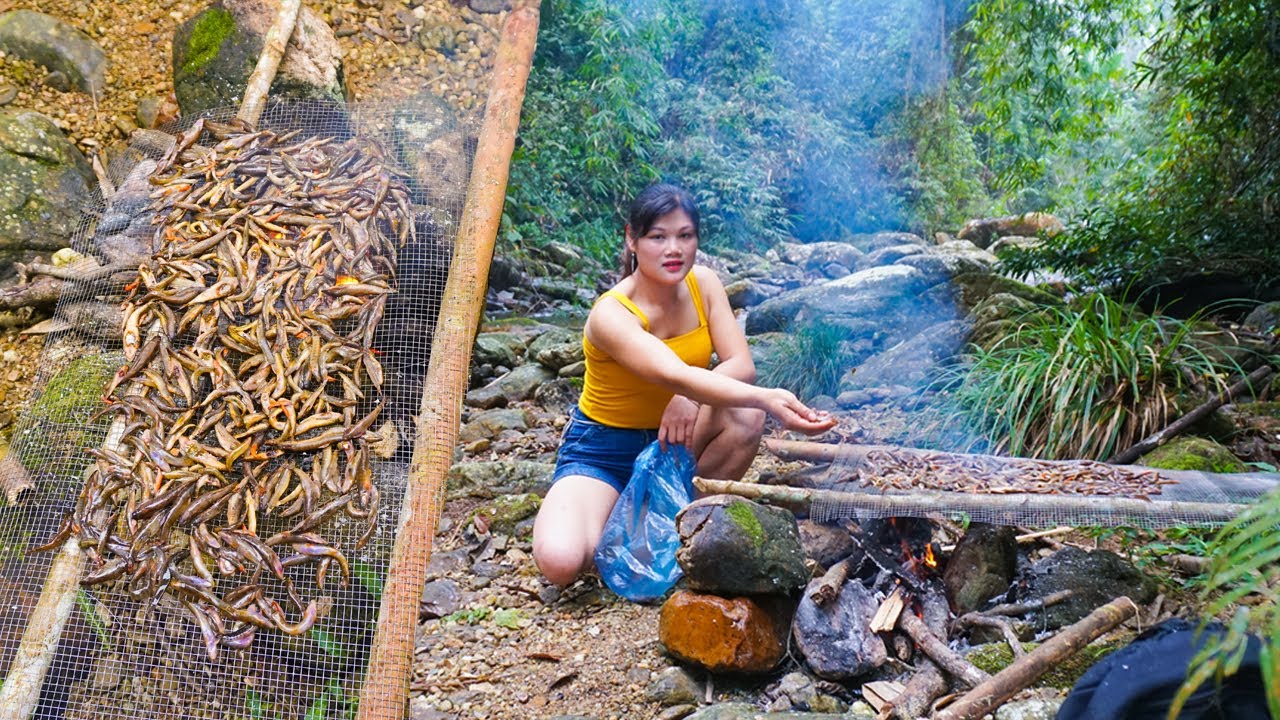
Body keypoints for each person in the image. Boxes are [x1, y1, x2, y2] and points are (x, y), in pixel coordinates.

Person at [532, 183, 837, 588]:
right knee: (561, 562)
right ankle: (621, 514)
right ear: (632, 239)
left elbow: (740, 364)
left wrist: (689, 398)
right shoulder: (611, 313)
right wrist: (762, 398)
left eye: (685, 236)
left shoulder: (704, 284)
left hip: (674, 442)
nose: (673, 249)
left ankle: (672, 527)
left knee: (744, 415)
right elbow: (672, 373)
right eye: (658, 237)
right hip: (604, 451)